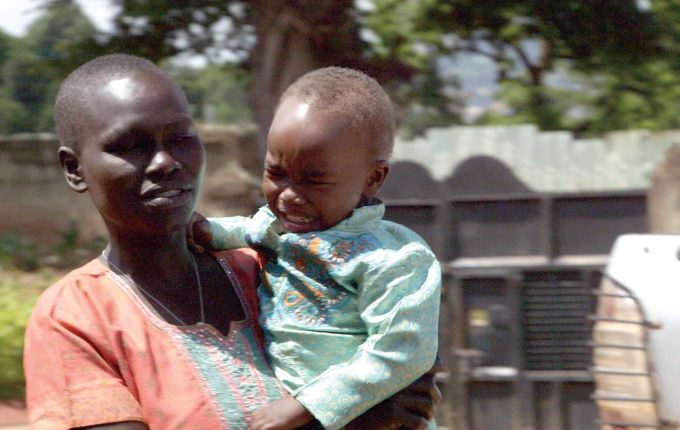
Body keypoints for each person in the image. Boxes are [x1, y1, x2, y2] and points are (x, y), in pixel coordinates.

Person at [22, 54, 441, 430]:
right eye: (130, 146)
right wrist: (350, 420)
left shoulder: (272, 267)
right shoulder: (76, 317)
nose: (166, 162)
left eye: (181, 138)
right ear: (74, 168)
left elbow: (402, 358)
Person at [189, 67, 441, 430]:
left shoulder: (392, 259)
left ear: (372, 179)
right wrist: (207, 231)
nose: (290, 195)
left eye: (314, 181)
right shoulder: (278, 226)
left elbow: (404, 351)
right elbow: (248, 228)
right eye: (277, 174)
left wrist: (308, 405)